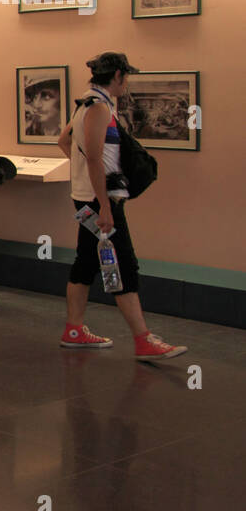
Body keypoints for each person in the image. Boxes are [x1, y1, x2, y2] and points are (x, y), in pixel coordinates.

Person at [56, 52, 187, 359]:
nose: (126, 83)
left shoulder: (84, 105)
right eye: (125, 77)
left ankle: (74, 330)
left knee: (87, 261)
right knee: (124, 263)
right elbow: (94, 157)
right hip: (101, 201)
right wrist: (103, 203)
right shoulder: (99, 108)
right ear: (117, 76)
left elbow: (65, 142)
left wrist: (84, 179)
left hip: (84, 197)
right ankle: (143, 340)